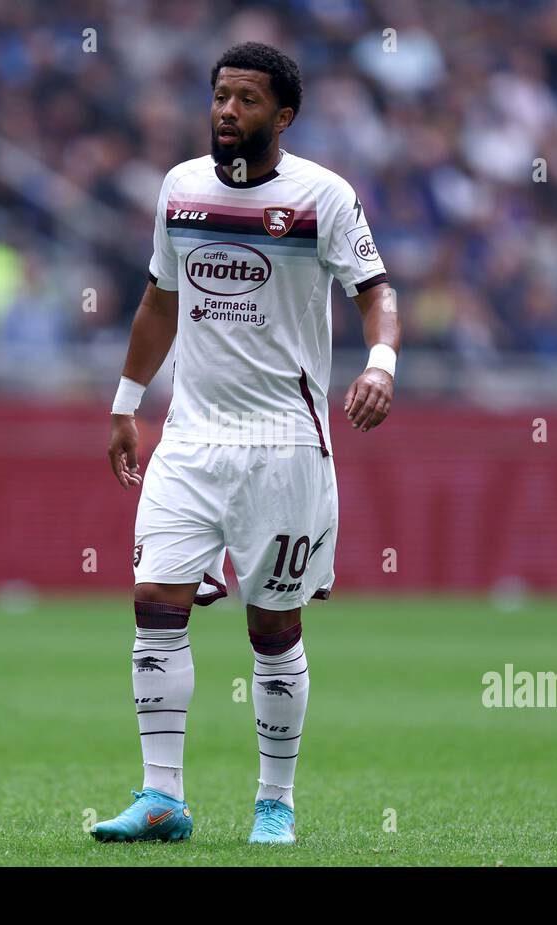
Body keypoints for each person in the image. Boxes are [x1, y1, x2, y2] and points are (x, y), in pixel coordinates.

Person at [97, 42, 401, 845]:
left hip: (285, 445)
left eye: (247, 99)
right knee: (155, 606)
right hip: (191, 438)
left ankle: (276, 801)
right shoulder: (181, 190)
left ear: (284, 115)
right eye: (220, 96)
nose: (228, 110)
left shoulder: (323, 197)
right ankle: (161, 797)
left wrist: (382, 364)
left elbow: (376, 293)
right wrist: (128, 403)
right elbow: (159, 299)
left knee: (273, 628)